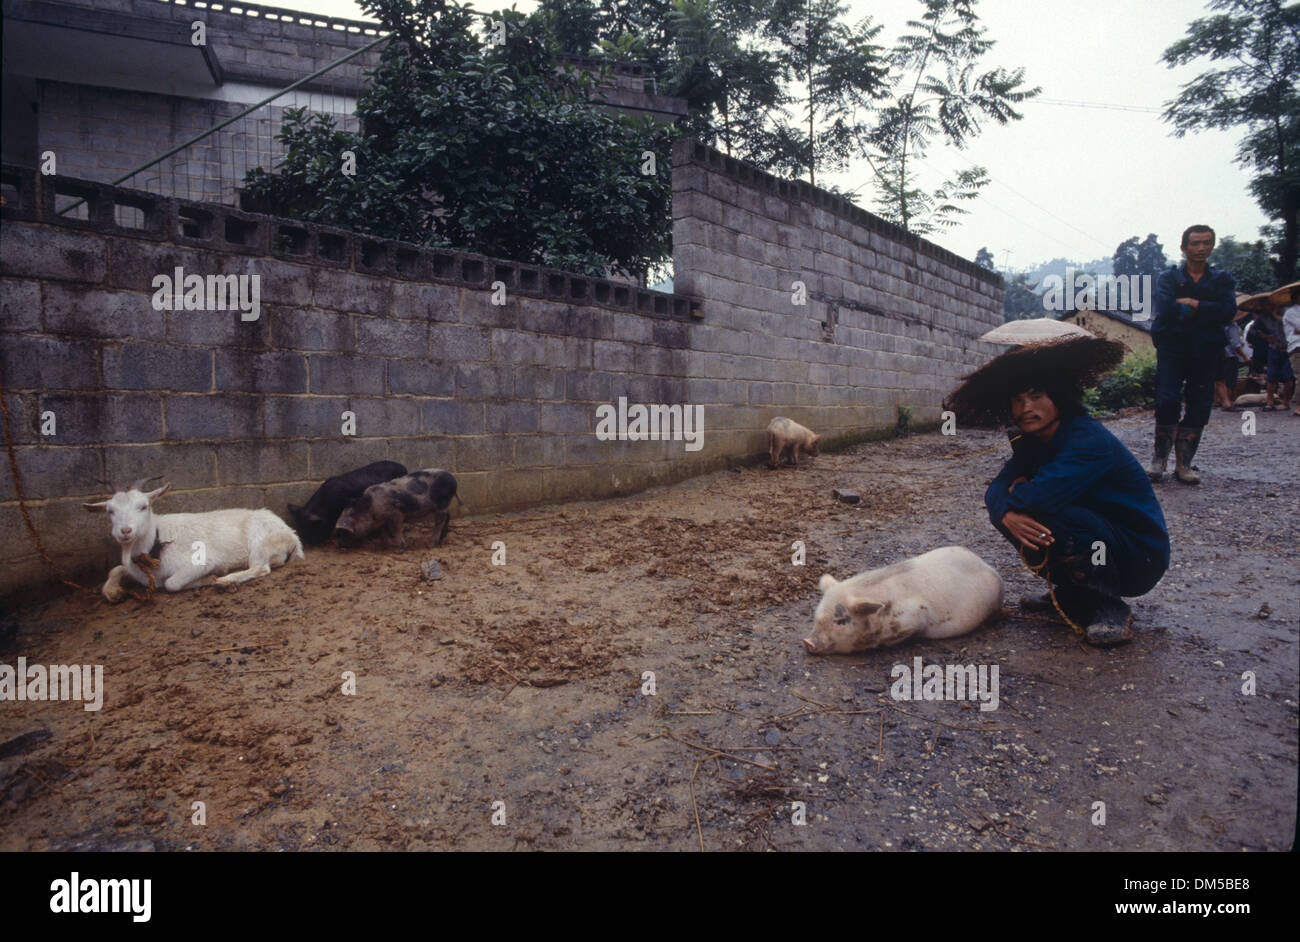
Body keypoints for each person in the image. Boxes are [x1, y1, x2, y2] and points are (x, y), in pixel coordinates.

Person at [944, 336, 1170, 647]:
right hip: (1098, 532)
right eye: (1017, 399)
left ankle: (1107, 607)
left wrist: (1014, 500)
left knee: (1053, 514)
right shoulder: (1032, 441)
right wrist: (1005, 511)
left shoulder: (1088, 440)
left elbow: (1039, 497)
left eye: (1037, 396)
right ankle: (1070, 593)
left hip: (1136, 556)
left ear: (1059, 397)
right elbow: (997, 488)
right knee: (1023, 517)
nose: (1026, 408)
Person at [1149, 225, 1237, 484]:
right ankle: (1159, 459)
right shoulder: (1169, 278)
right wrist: (1208, 310)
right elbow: (1165, 308)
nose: (1201, 248)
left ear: (1212, 246)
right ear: (1184, 247)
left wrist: (1195, 304)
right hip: (1172, 346)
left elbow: (1228, 311)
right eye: (1196, 243)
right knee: (1166, 400)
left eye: (1206, 243)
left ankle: (1184, 464)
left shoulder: (1222, 279)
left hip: (1207, 348)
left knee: (1199, 404)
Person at [1215, 317, 1250, 409]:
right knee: (1229, 380)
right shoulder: (1232, 325)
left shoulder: (1217, 323)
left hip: (1217, 354)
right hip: (1230, 355)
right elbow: (1236, 344)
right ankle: (1228, 402)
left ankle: (1218, 401)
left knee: (1219, 379)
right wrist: (1245, 356)